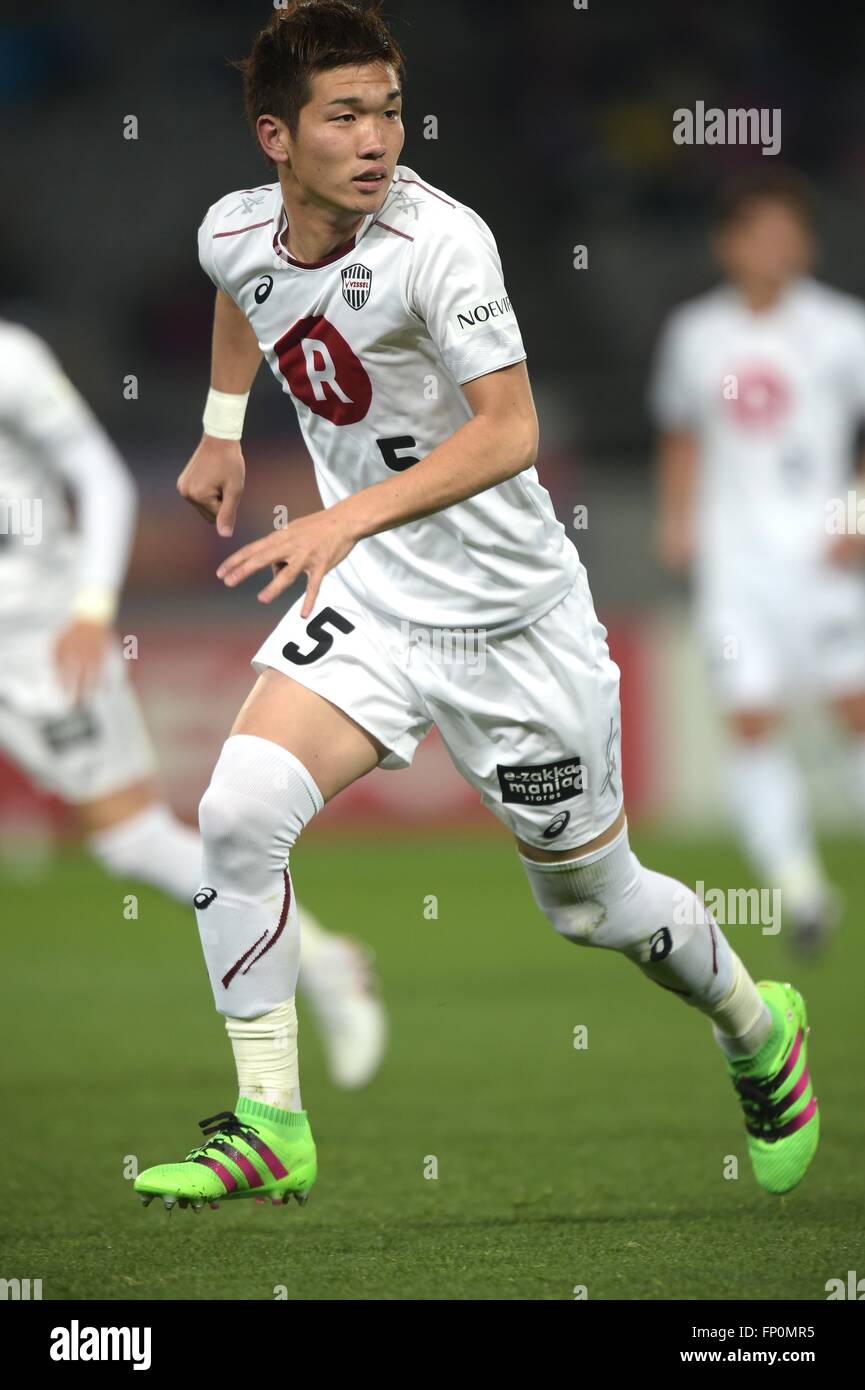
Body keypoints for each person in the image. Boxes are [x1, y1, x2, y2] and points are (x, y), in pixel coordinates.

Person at [134, 0, 818, 1213]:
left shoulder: (440, 243)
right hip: (376, 597)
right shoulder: (232, 227)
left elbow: (511, 432)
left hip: (508, 620)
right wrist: (221, 429)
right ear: (275, 138)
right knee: (236, 812)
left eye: (389, 111)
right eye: (345, 115)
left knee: (593, 908)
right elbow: (243, 286)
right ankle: (271, 1121)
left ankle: (755, 1025)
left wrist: (344, 513)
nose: (377, 138)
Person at [0, 317, 386, 1090]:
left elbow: (100, 477)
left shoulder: (11, 359)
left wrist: (90, 609)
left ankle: (320, 959)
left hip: (33, 637)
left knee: (130, 838)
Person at [652, 169, 865, 955]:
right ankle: (799, 891)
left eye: (787, 232)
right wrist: (676, 521)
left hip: (824, 555)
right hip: (734, 563)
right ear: (728, 244)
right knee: (749, 719)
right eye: (759, 233)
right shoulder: (694, 333)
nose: (775, 247)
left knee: (854, 710)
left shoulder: (842, 328)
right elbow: (680, 434)